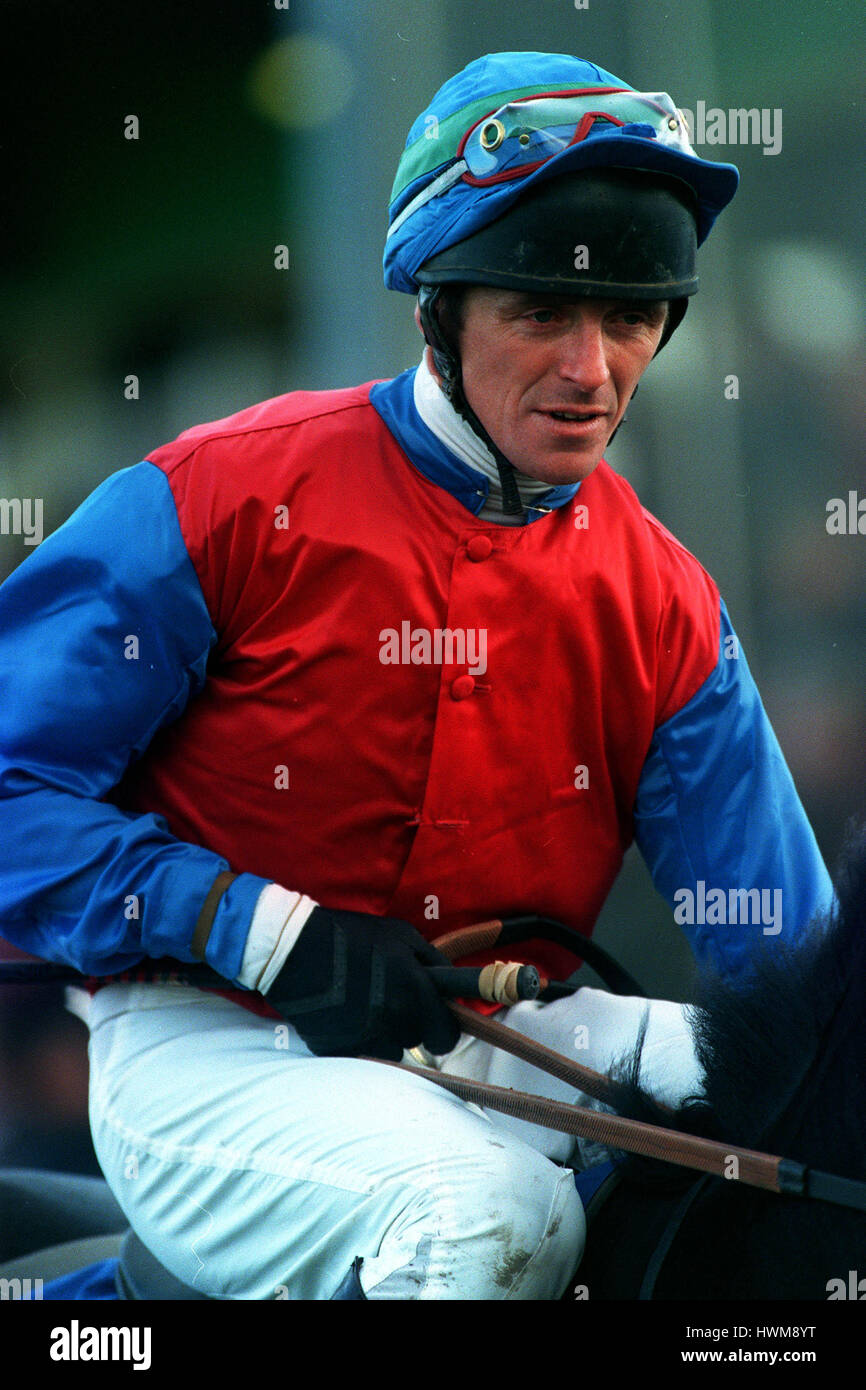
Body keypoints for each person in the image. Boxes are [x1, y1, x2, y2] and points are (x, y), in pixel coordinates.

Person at [0, 51, 833, 1300]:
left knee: (821, 1136)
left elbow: (785, 954)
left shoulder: (664, 600)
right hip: (211, 1050)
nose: (589, 369)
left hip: (499, 1038)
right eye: (540, 311)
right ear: (434, 306)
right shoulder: (213, 500)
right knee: (488, 1217)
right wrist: (258, 926)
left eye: (629, 317)